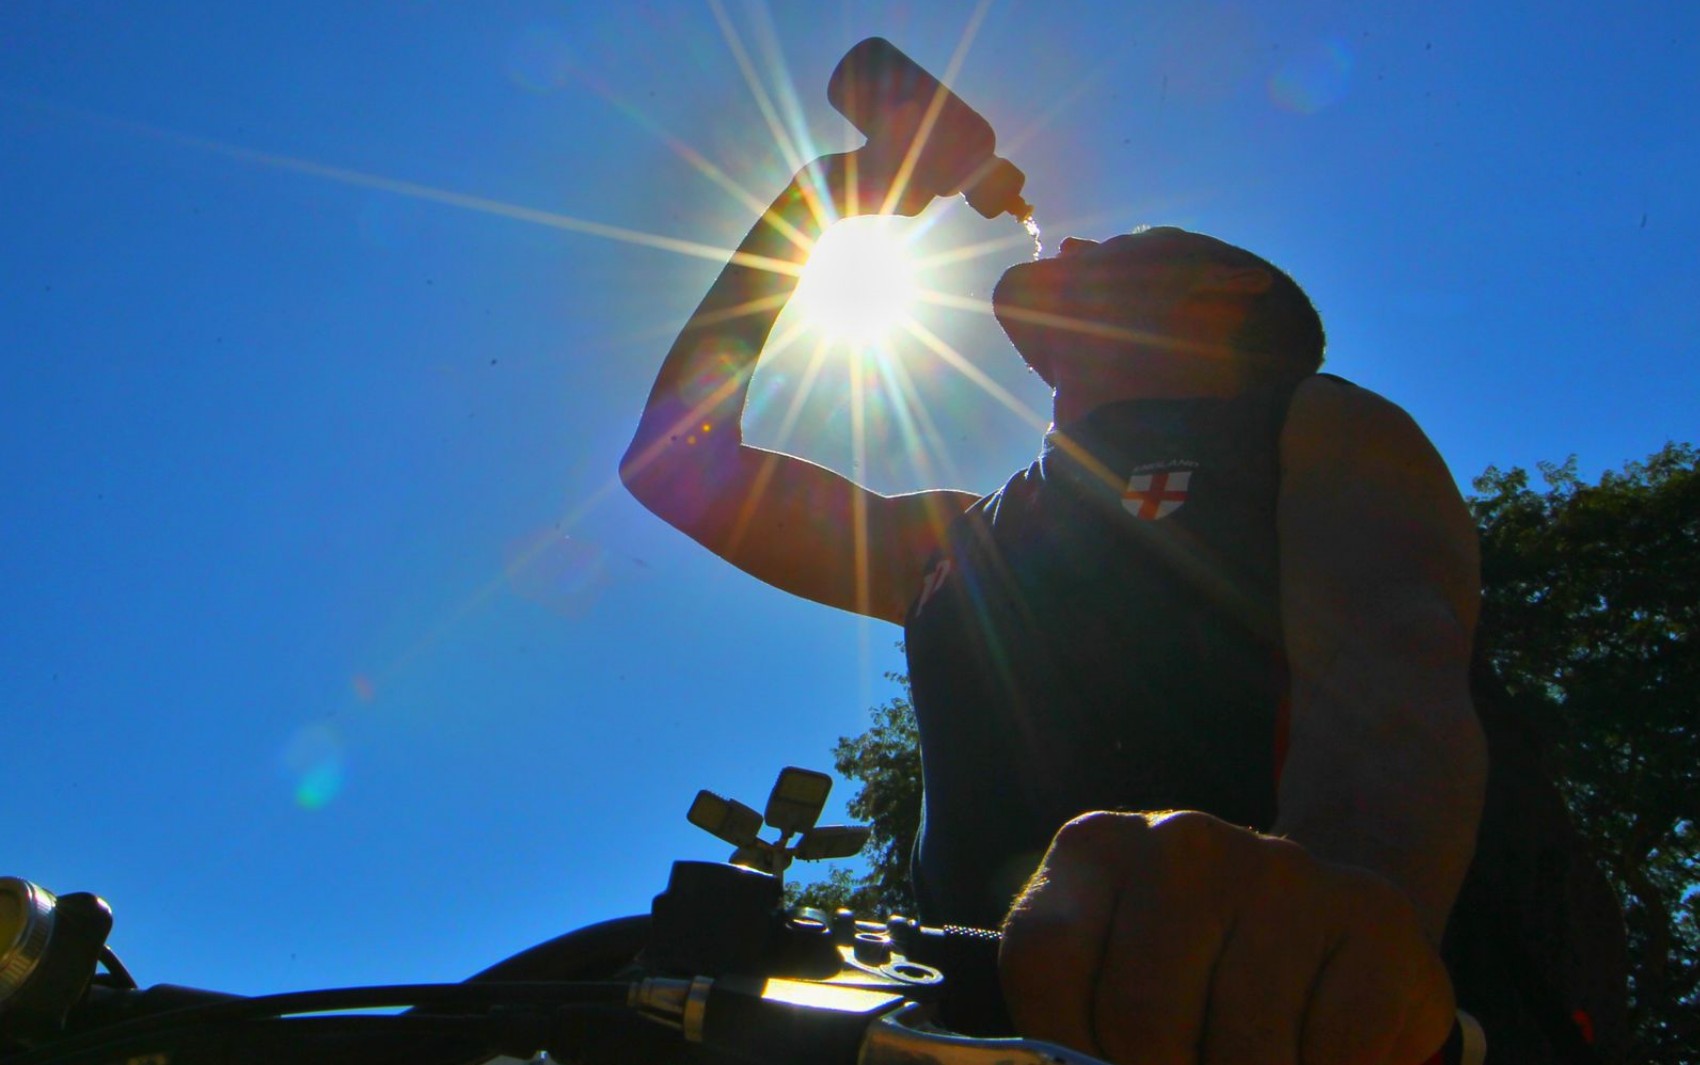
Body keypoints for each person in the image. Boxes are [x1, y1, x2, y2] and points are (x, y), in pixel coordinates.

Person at [619, 143, 1579, 1064]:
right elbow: (680, 466)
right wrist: (818, 198)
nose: (1067, 242)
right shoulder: (959, 539)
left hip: (1311, 1022)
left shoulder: (1310, 423)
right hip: (1002, 1031)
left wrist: (1346, 921)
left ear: (1222, 289)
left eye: (1117, 246)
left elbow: (1391, 669)